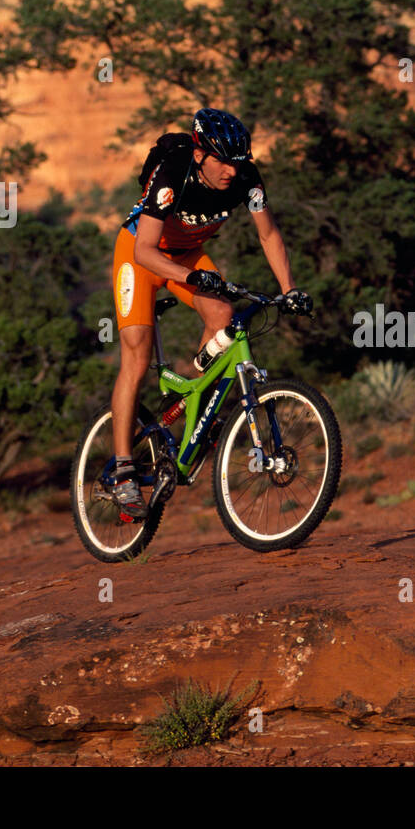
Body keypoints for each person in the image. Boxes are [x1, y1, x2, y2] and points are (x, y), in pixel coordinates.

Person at [109, 108, 311, 520]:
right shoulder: (172, 173)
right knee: (136, 355)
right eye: (222, 162)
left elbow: (268, 233)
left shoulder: (247, 179)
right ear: (200, 154)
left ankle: (190, 403)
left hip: (187, 256)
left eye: (238, 164)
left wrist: (289, 290)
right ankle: (124, 471)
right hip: (139, 255)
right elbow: (145, 250)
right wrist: (191, 277)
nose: (231, 173)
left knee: (223, 315)